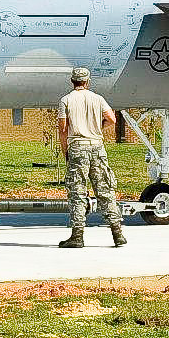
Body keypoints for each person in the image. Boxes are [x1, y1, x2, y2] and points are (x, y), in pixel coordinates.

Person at [55, 66, 125, 248]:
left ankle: (77, 236)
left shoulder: (65, 101)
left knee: (77, 192)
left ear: (72, 81)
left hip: (77, 147)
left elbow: (63, 130)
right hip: (97, 147)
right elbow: (112, 119)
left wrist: (66, 152)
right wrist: (96, 128)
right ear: (87, 81)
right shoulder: (98, 99)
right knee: (105, 190)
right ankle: (117, 233)